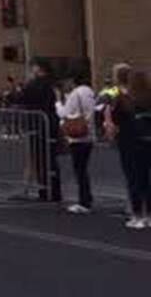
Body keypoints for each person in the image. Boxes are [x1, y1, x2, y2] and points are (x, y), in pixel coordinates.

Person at [106, 68, 151, 229]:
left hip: (129, 142)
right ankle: (149, 215)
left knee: (133, 178)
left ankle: (137, 215)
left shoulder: (123, 99)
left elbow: (115, 120)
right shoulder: (149, 98)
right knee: (147, 179)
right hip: (148, 141)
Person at [19, 58, 62, 202]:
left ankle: (45, 191)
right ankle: (54, 190)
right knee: (51, 158)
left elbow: (22, 98)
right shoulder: (51, 84)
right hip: (50, 122)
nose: (32, 70)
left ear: (39, 68)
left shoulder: (35, 84)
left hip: (38, 124)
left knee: (41, 159)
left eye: (33, 67)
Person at [56, 71, 97, 214]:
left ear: (73, 80)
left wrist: (57, 103)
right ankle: (87, 198)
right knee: (83, 168)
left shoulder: (75, 94)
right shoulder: (90, 92)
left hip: (77, 136)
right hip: (89, 133)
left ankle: (84, 201)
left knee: (79, 170)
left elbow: (64, 113)